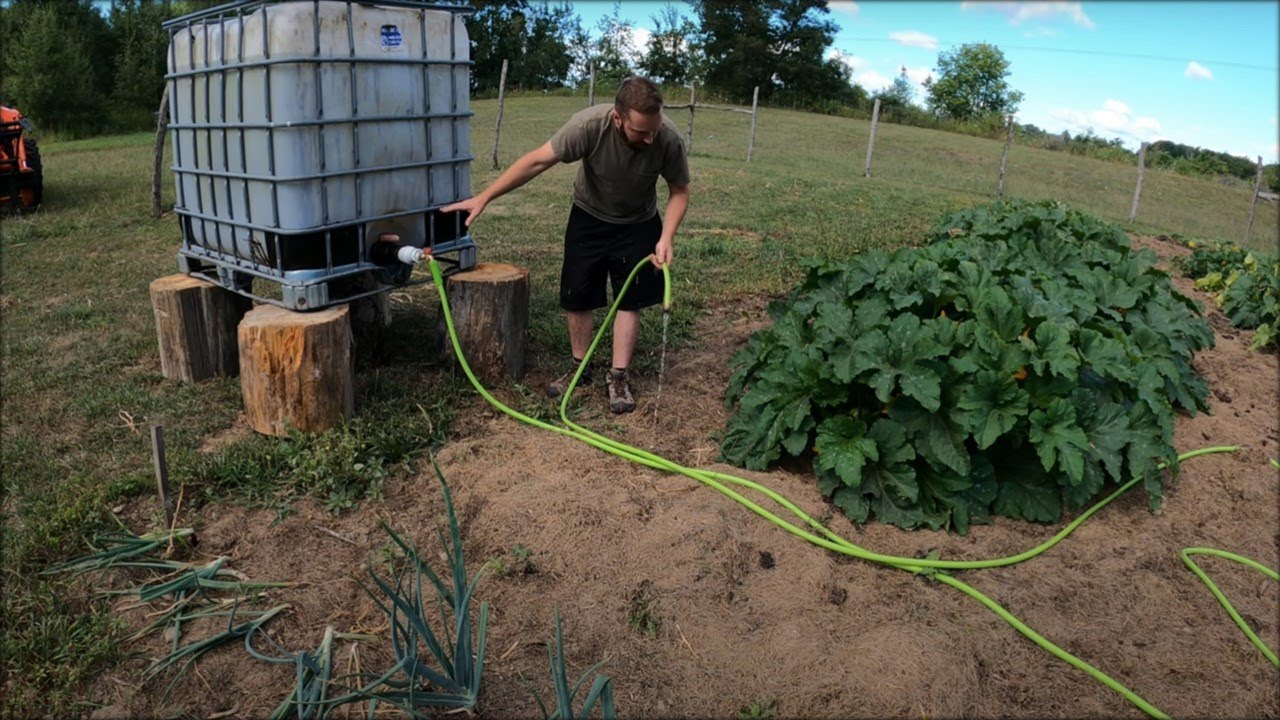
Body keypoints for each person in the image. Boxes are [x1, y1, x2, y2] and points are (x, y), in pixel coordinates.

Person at [441, 76, 690, 414]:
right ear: (618, 119)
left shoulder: (667, 138)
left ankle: (618, 376)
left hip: (639, 221)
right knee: (577, 294)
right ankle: (579, 365)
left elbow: (679, 190)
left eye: (653, 130)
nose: (649, 138)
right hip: (588, 214)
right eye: (640, 132)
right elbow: (537, 161)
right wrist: (485, 197)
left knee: (630, 300)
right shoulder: (588, 126)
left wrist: (666, 237)